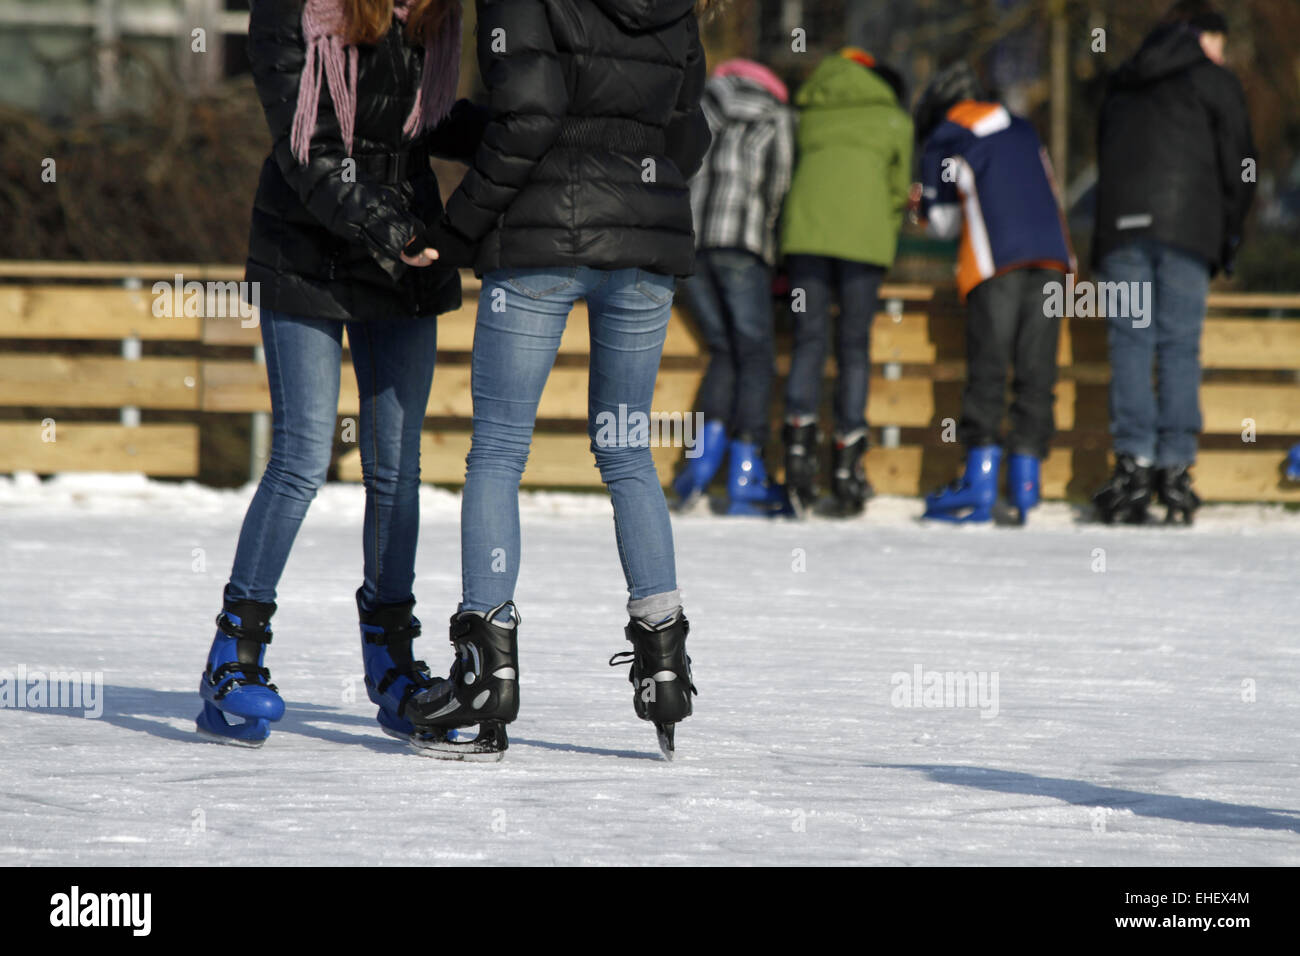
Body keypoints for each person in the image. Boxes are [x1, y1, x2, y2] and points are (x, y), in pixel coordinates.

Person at [398, 0, 712, 760]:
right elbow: (687, 130)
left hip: (539, 243)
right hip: (643, 248)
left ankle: (485, 670)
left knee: (500, 452)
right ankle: (663, 665)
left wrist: (454, 228)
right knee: (628, 453)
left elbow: (531, 120)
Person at [196, 0, 481, 747]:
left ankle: (392, 662)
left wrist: (516, 135)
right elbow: (305, 150)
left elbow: (422, 121)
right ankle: (235, 655)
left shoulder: (430, 19)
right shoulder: (296, 10)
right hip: (307, 246)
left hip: (402, 250)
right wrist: (386, 226)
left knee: (397, 468)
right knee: (299, 456)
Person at [1091, 0, 1256, 525]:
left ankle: (1133, 463)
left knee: (1131, 340)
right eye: (1220, 43)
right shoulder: (1215, 82)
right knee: (1178, 344)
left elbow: (1105, 153)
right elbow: (1242, 165)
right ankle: (1175, 468)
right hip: (1189, 229)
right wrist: (1230, 234)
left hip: (1122, 228)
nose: (1221, 54)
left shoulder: (1123, 78)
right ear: (1203, 36)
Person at [914, 62, 1073, 524]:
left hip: (997, 259)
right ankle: (1025, 488)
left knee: (988, 369)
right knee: (1036, 371)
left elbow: (943, 222)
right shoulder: (1023, 128)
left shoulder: (945, 136)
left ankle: (979, 485)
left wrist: (920, 207)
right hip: (1054, 257)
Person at [779, 48, 913, 517]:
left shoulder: (807, 112)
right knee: (853, 344)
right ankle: (846, 461)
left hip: (805, 238)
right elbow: (900, 191)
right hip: (864, 241)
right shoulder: (894, 118)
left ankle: (797, 453)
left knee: (809, 340)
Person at [672, 58, 795, 516]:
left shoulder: (701, 107)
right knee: (756, 353)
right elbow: (778, 183)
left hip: (694, 243)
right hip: (743, 242)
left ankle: (698, 473)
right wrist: (768, 234)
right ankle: (745, 476)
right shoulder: (777, 117)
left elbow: (679, 169)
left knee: (724, 351)